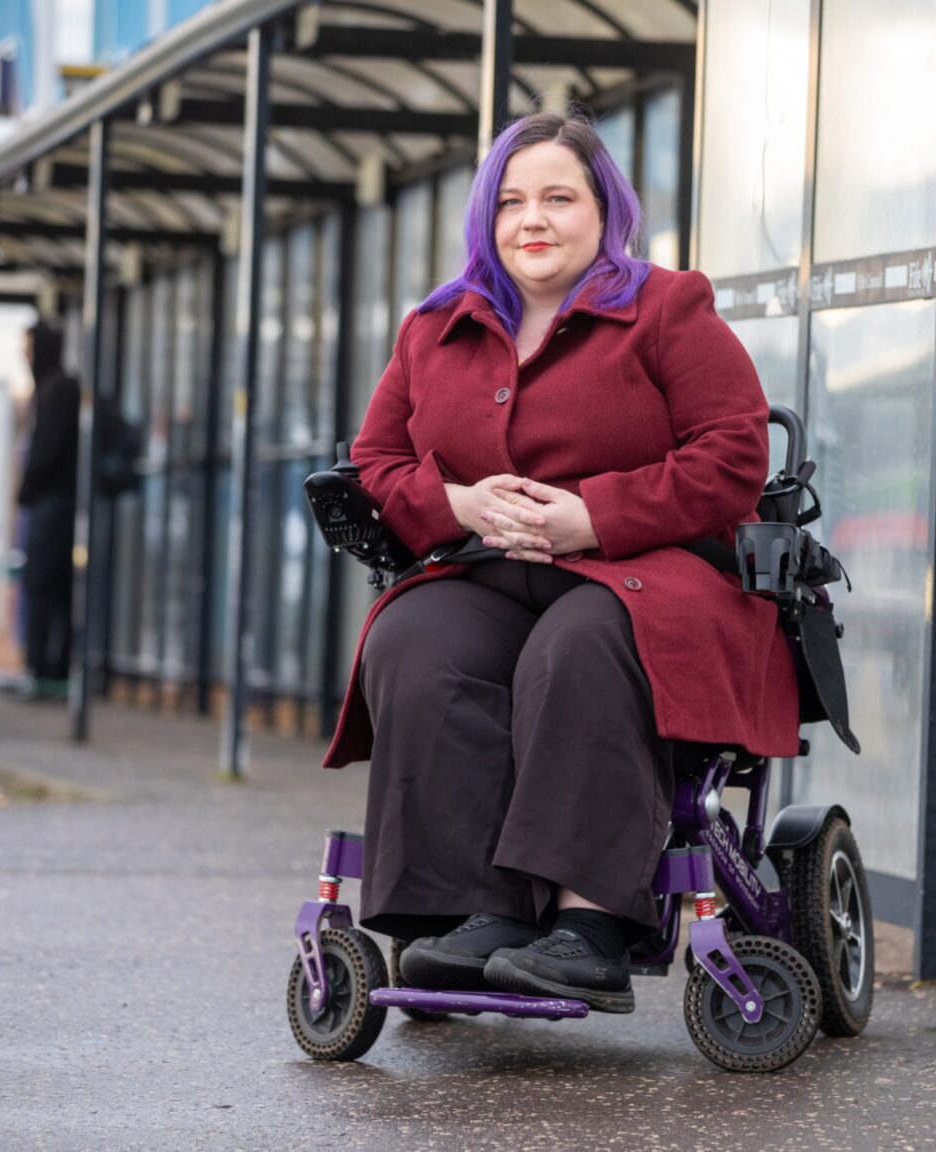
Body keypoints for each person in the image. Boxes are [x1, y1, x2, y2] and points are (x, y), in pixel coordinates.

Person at [320, 111, 800, 1013]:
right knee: (414, 640)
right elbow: (376, 461)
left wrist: (597, 516)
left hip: (653, 573)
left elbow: (735, 456)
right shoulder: (436, 327)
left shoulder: (667, 307)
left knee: (579, 642)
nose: (531, 220)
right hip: (490, 568)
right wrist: (455, 504)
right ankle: (470, 915)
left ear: (603, 208)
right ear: (486, 220)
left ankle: (588, 926)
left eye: (556, 198)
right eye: (509, 203)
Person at [3, 320, 79, 702]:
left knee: (44, 583)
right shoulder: (48, 389)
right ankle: (43, 668)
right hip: (50, 502)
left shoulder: (59, 390)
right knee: (48, 585)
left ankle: (44, 671)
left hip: (55, 503)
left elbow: (47, 452)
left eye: (30, 349)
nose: (25, 357)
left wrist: (26, 491)